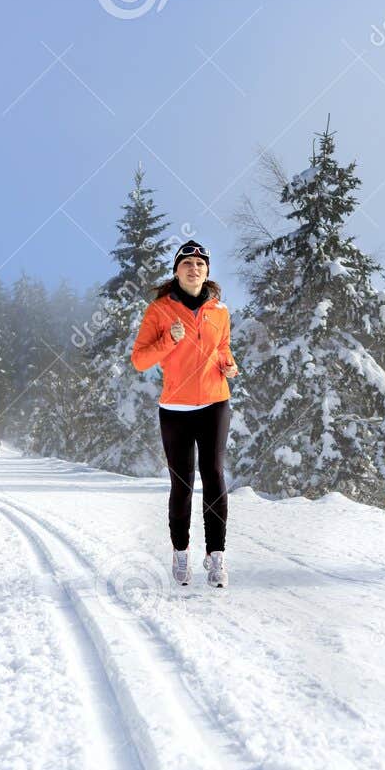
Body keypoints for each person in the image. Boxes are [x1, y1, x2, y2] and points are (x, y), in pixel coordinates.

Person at [131, 239, 239, 588]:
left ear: (207, 272)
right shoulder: (159, 310)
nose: (194, 269)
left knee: (215, 475)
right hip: (175, 408)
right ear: (176, 271)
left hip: (214, 402)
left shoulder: (219, 311)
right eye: (187, 264)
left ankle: (217, 556)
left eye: (201, 265)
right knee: (182, 485)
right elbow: (140, 360)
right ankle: (181, 552)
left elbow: (222, 348)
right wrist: (169, 341)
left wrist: (229, 364)